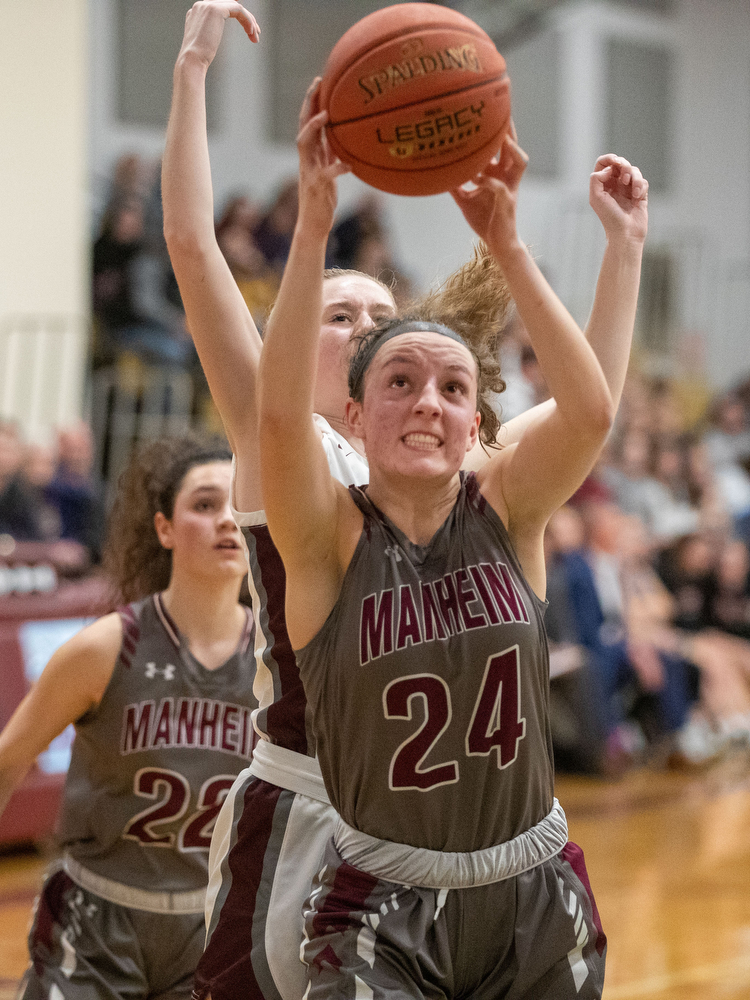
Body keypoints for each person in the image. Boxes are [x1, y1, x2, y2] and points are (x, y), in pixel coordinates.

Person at [162, 5, 647, 998]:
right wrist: (192, 79)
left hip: (476, 826)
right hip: (311, 793)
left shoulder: (460, 466)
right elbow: (192, 247)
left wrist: (619, 253)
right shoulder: (277, 437)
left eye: (381, 315)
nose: (364, 326)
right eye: (338, 313)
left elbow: (588, 404)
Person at [0, 435, 257, 1000]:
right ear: (165, 528)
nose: (227, 519)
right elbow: (7, 762)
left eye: (240, 502)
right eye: (205, 504)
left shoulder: (275, 660)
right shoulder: (107, 647)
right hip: (95, 922)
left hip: (211, 925)